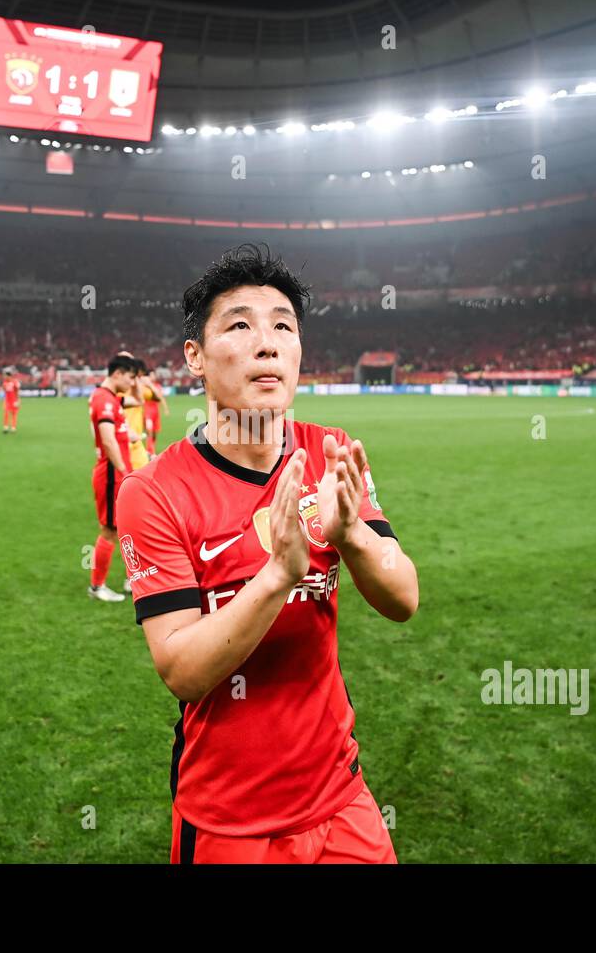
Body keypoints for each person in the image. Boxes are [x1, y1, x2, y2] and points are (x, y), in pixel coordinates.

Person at [117, 243, 419, 863]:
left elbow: (404, 599)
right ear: (194, 358)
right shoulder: (152, 492)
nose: (268, 342)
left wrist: (354, 537)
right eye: (239, 325)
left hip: (343, 799)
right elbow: (181, 668)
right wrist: (279, 575)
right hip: (232, 822)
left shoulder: (329, 450)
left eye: (284, 325)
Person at [87, 354, 137, 602]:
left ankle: (133, 579)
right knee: (109, 530)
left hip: (116, 473)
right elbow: (107, 439)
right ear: (117, 373)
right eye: (129, 376)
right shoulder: (103, 399)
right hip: (110, 474)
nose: (131, 382)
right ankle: (97, 586)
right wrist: (124, 473)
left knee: (125, 527)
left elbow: (118, 431)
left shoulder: (111, 399)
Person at [0, 369, 21, 433]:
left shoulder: (15, 382)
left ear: (9, 376)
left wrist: (18, 400)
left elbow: (17, 392)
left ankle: (13, 427)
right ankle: (5, 427)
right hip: (7, 401)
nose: (4, 377)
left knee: (14, 414)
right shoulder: (4, 383)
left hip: (14, 401)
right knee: (6, 413)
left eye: (5, 376)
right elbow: (4, 391)